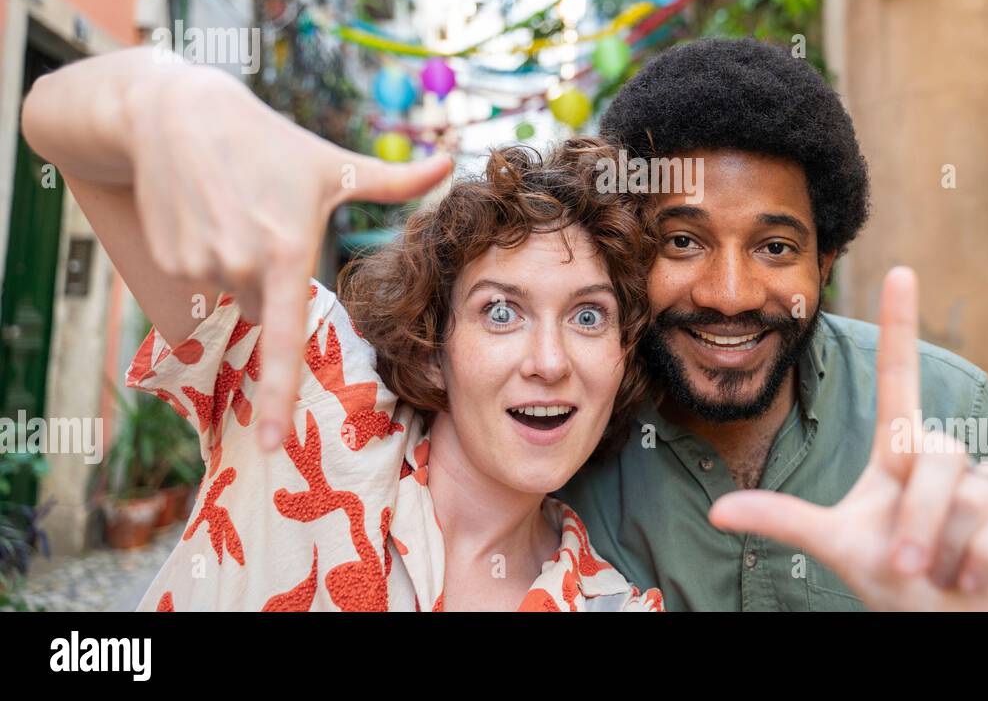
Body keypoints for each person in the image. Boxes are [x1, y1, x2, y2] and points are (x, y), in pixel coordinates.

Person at [21, 49, 663, 611]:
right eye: (500, 311)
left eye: (587, 316)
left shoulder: (615, 604)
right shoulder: (311, 384)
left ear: (622, 356)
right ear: (435, 350)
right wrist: (163, 97)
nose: (549, 361)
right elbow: (51, 120)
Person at [554, 37, 988, 611]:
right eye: (683, 241)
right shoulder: (562, 427)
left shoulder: (955, 413)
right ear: (630, 247)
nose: (730, 295)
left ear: (824, 264)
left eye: (775, 247)